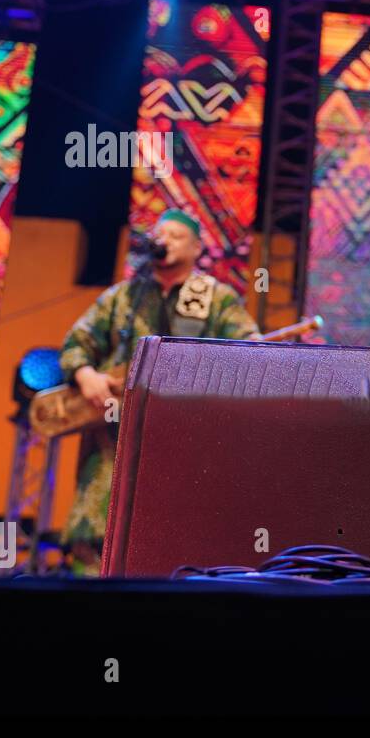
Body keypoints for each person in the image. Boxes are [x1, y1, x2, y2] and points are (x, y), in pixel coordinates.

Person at [59, 209, 259, 571]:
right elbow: (77, 341)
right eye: (160, 234)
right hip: (115, 434)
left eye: (176, 236)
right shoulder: (124, 296)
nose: (164, 240)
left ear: (197, 248)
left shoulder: (216, 299)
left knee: (176, 535)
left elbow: (251, 350)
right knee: (95, 529)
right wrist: (85, 373)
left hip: (187, 438)